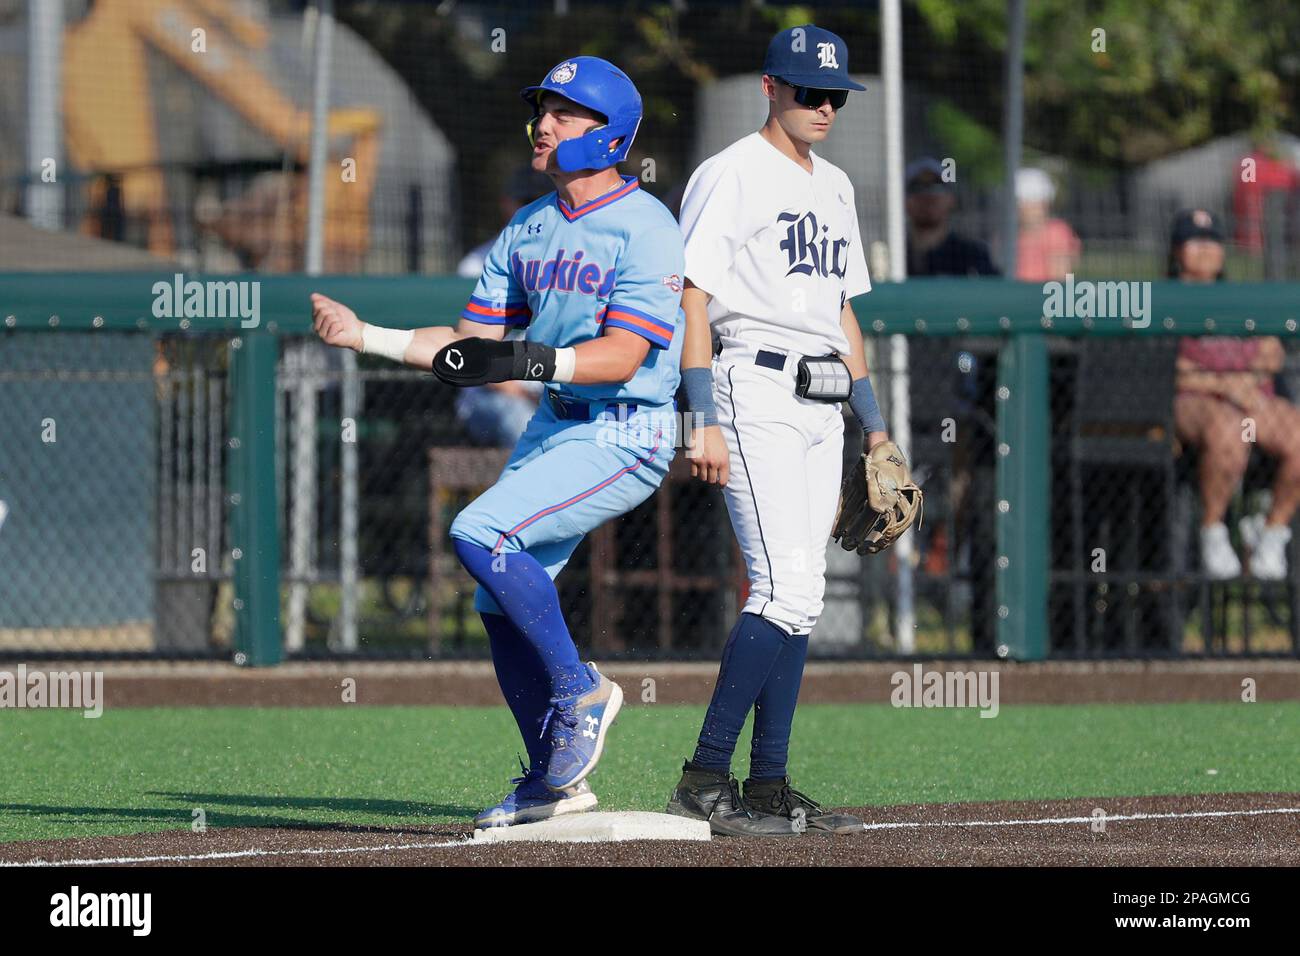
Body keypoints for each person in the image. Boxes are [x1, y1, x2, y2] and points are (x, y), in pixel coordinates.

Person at [311, 56, 684, 827]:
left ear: (610, 134)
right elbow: (473, 344)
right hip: (560, 424)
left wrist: (529, 359)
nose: (543, 124)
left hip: (629, 428)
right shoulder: (529, 226)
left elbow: (626, 356)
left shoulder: (648, 225)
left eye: (564, 112)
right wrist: (366, 336)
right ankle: (555, 783)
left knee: (476, 529)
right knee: (493, 600)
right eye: (541, 108)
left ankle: (581, 689)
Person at [671, 25, 889, 837]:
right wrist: (700, 420)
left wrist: (876, 430)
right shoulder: (729, 174)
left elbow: (844, 314)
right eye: (809, 91)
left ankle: (766, 784)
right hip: (749, 385)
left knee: (806, 599)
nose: (824, 104)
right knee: (780, 589)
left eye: (835, 94)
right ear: (771, 87)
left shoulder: (835, 186)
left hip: (822, 399)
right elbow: (691, 299)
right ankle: (702, 777)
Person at [1170, 208, 1300, 580]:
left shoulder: (1241, 296)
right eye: (1195, 241)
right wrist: (1223, 385)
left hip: (1250, 401)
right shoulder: (1165, 298)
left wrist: (1247, 379)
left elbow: (1271, 350)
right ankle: (1213, 530)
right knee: (1229, 431)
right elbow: (1168, 367)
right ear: (1177, 251)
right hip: (1195, 400)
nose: (1206, 250)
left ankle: (1271, 531)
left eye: (1212, 241)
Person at [454, 166, 553, 448]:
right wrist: (521, 393)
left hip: (548, 389)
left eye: (539, 201)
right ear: (506, 203)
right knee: (521, 422)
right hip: (491, 395)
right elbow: (469, 350)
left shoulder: (561, 258)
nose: (531, 210)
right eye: (524, 201)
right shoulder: (477, 263)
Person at [904, 157, 999, 277]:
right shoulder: (890, 258)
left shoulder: (973, 257)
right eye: (917, 187)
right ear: (904, 200)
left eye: (937, 186)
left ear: (951, 199)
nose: (928, 196)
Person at [1014, 167, 1080, 282]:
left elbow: (1059, 281)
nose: (1022, 207)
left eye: (1028, 201)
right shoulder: (1006, 235)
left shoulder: (1056, 233)